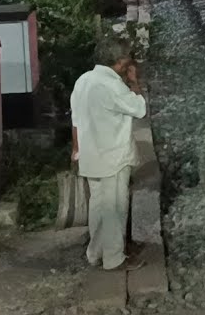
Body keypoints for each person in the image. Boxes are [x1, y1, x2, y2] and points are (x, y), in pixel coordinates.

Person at [70, 38, 148, 271]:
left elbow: (75, 120)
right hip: (112, 157)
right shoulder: (112, 86)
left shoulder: (83, 81)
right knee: (114, 207)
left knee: (98, 206)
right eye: (127, 60)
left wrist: (76, 152)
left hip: (89, 155)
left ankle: (95, 253)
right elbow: (140, 109)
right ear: (120, 61)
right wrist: (134, 82)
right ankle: (114, 258)